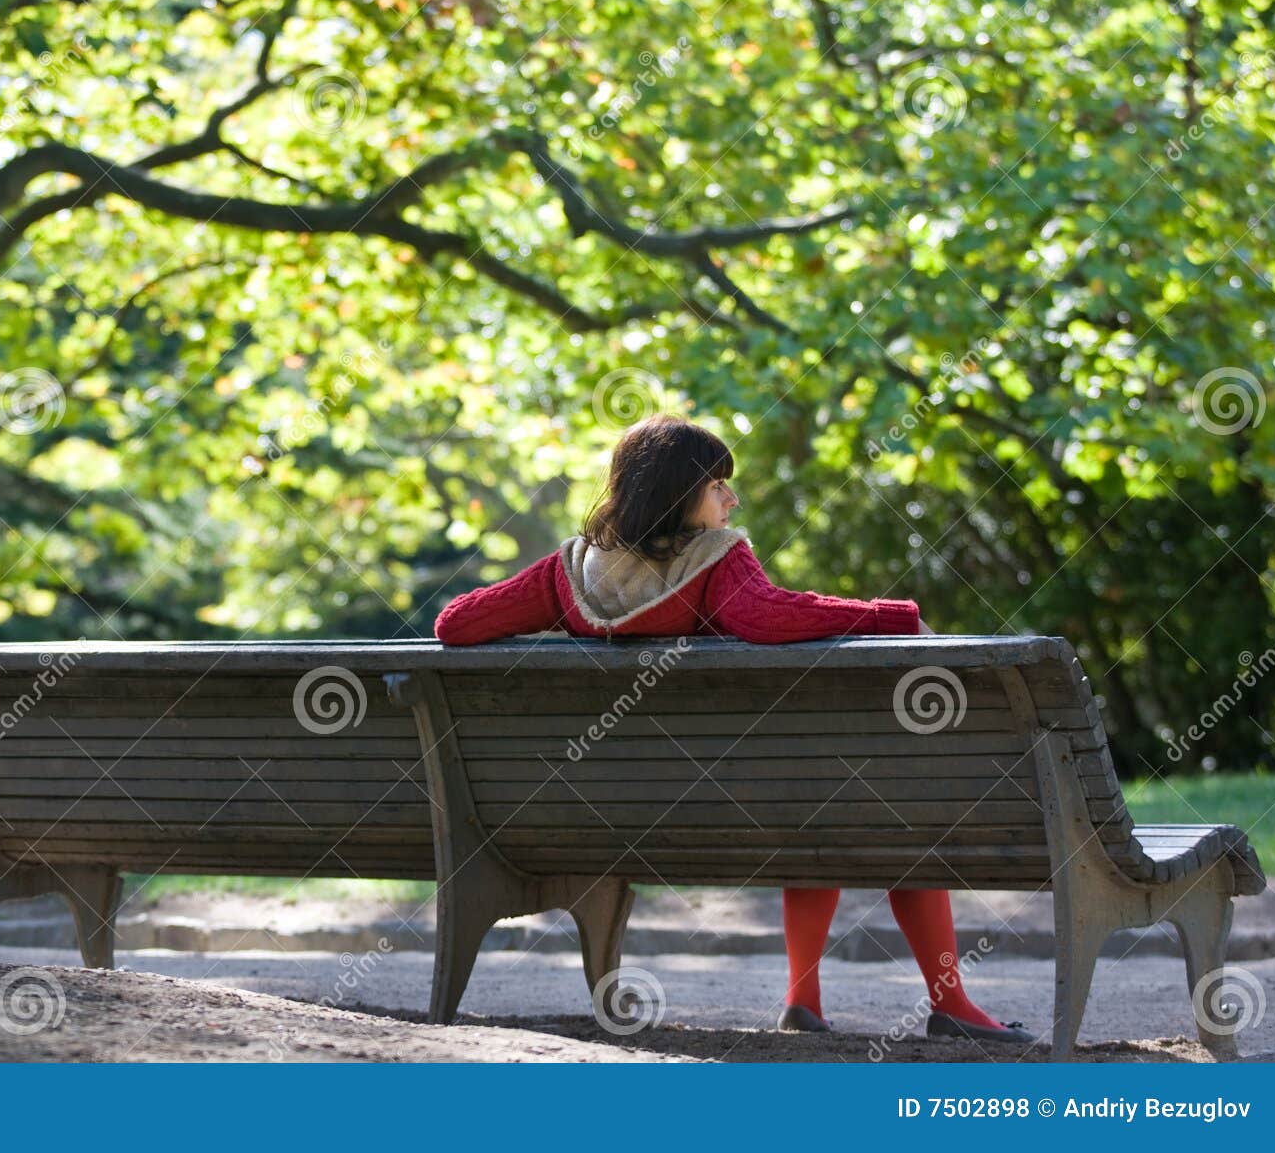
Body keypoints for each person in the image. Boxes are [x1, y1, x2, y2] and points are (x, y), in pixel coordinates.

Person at [432, 413, 1033, 1043]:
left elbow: (455, 624)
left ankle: (805, 1002)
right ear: (677, 491)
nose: (732, 498)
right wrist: (894, 617)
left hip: (599, 818)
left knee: (820, 809)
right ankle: (944, 1002)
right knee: (869, 815)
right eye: (717, 484)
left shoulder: (566, 575)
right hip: (743, 809)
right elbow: (768, 617)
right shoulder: (716, 562)